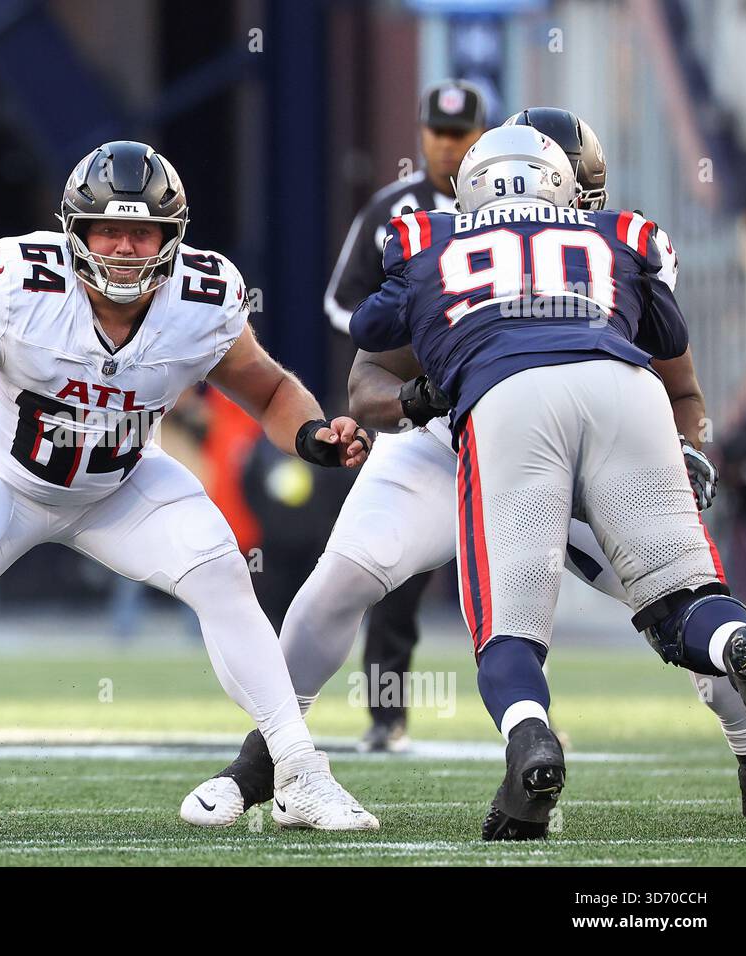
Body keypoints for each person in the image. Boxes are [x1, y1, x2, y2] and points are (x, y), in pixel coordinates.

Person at [180, 109, 746, 835]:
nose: (585, 206)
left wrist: (688, 443)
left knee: (667, 601)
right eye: (583, 188)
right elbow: (368, 382)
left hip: (551, 439)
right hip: (443, 441)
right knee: (341, 582)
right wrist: (421, 397)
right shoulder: (586, 244)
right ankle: (267, 762)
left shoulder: (536, 249)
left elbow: (683, 389)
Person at [0, 140, 376, 835]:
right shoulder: (22, 282)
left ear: (171, 237)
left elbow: (270, 389)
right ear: (75, 232)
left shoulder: (201, 296)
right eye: (109, 230)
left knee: (220, 570)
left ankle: (300, 773)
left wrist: (309, 435)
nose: (126, 248)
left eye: (143, 231)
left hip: (117, 483)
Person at [347, 123, 746, 839]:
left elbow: (369, 325)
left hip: (510, 402)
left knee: (508, 627)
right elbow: (666, 350)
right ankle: (737, 645)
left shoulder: (425, 237)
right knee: (686, 600)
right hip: (626, 393)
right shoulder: (626, 235)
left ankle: (530, 745)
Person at [324, 79, 487, 751]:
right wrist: (411, 346)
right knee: (395, 566)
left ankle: (528, 709)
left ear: (481, 135)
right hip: (418, 411)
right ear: (422, 134)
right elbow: (343, 302)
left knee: (523, 557)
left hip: (503, 404)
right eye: (438, 132)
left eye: (460, 133)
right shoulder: (393, 209)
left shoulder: (511, 208)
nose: (447, 145)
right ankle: (386, 714)